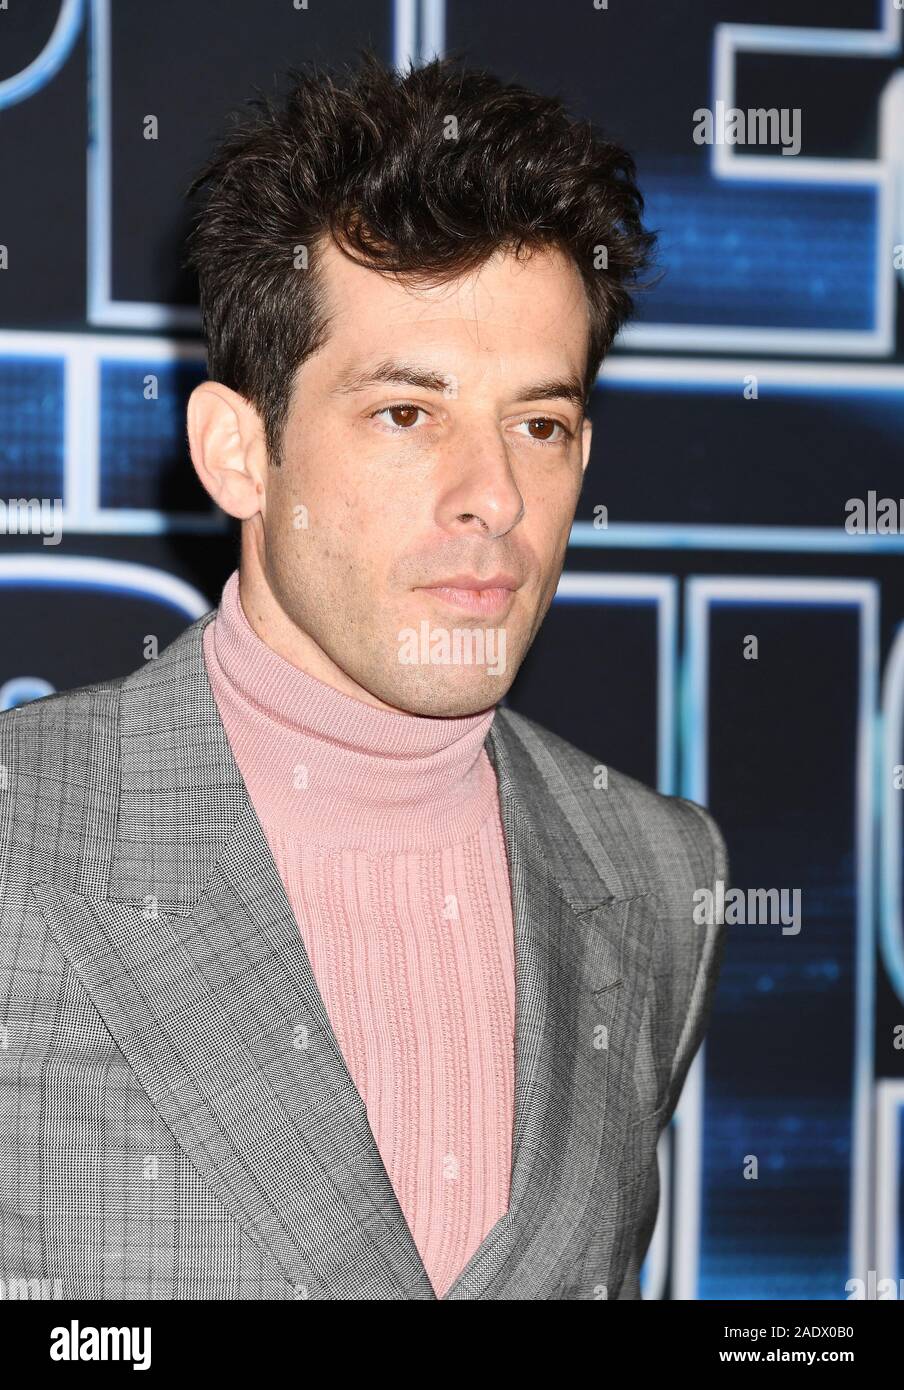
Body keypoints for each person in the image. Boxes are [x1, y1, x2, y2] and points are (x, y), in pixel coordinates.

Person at [0, 51, 727, 1300]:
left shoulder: (661, 879)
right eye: (407, 413)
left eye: (538, 425)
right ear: (239, 452)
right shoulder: (19, 837)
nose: (493, 496)